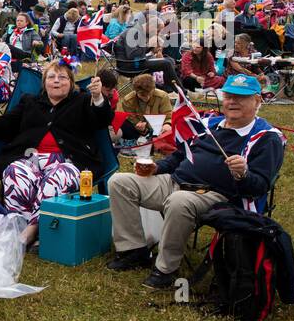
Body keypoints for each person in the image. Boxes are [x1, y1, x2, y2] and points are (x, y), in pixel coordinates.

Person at [107, 73, 283, 289]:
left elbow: (260, 186)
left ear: (257, 101)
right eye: (229, 96)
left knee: (179, 201)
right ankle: (133, 250)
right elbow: (180, 155)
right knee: (120, 182)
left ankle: (165, 269)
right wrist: (158, 167)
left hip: (218, 196)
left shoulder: (266, 138)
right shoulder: (208, 125)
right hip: (175, 181)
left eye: (241, 97)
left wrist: (243, 174)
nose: (232, 102)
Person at [0, 60, 111, 246]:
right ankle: (22, 225)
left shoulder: (83, 100)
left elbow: (102, 120)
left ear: (71, 83)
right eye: (51, 77)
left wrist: (98, 97)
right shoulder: (30, 101)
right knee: (15, 173)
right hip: (28, 158)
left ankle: (30, 232)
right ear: (44, 82)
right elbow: (3, 125)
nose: (56, 81)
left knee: (56, 178)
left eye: (62, 77)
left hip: (69, 161)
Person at [116, 73, 172, 144]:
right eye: (143, 95)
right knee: (123, 123)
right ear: (136, 92)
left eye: (149, 94)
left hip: (159, 128)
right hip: (140, 131)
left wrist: (167, 124)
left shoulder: (162, 96)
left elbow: (168, 115)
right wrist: (139, 125)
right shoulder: (128, 100)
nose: (147, 98)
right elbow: (132, 118)